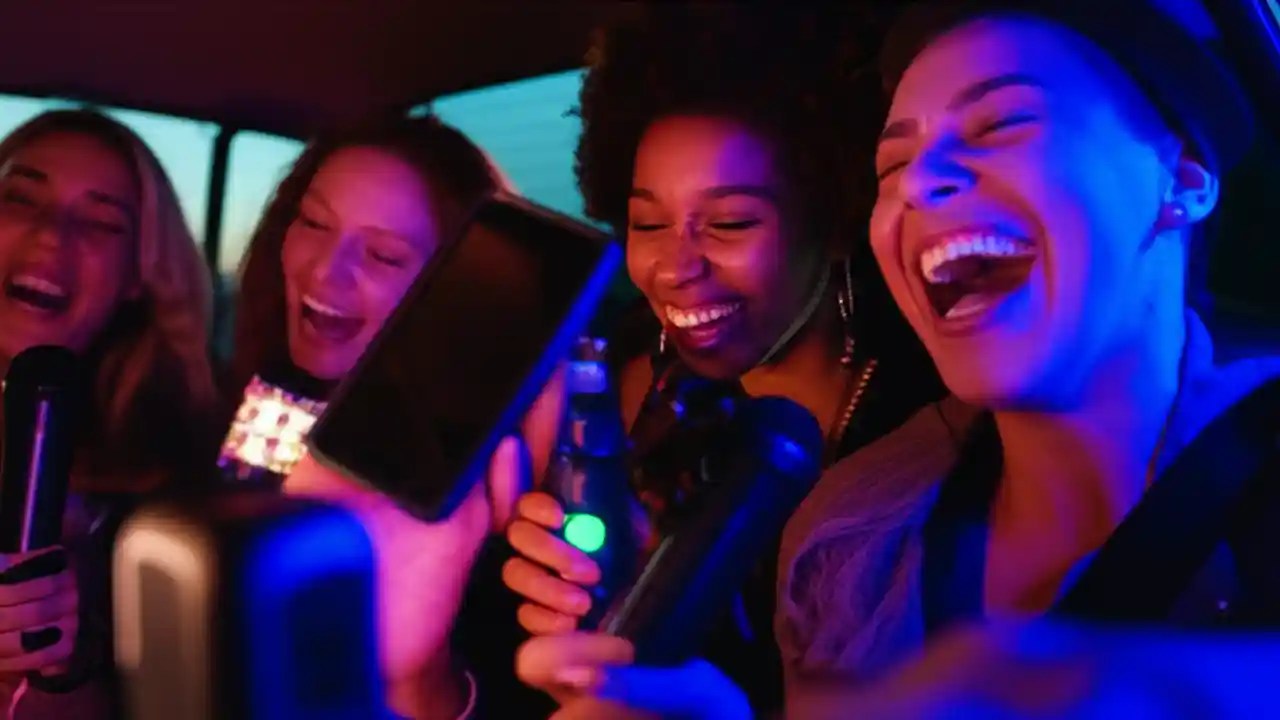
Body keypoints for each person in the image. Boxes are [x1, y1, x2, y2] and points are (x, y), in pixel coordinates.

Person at [509, 0, 1280, 717]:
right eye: (890, 167)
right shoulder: (843, 537)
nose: (915, 182)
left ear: (1182, 177)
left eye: (1001, 124)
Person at [499, 4, 943, 717]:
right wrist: (590, 598)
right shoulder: (625, 395)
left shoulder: (929, 427)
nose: (675, 267)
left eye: (731, 223)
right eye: (648, 223)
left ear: (832, 223)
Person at [232, 114, 528, 720]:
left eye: (383, 255)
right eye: (313, 222)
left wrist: (415, 681)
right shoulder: (230, 403)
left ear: (459, 290)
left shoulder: (480, 501)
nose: (324, 272)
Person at [0, 109, 220, 718]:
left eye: (100, 222)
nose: (51, 234)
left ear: (137, 278)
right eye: (21, 198)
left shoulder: (173, 508)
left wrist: (52, 665)